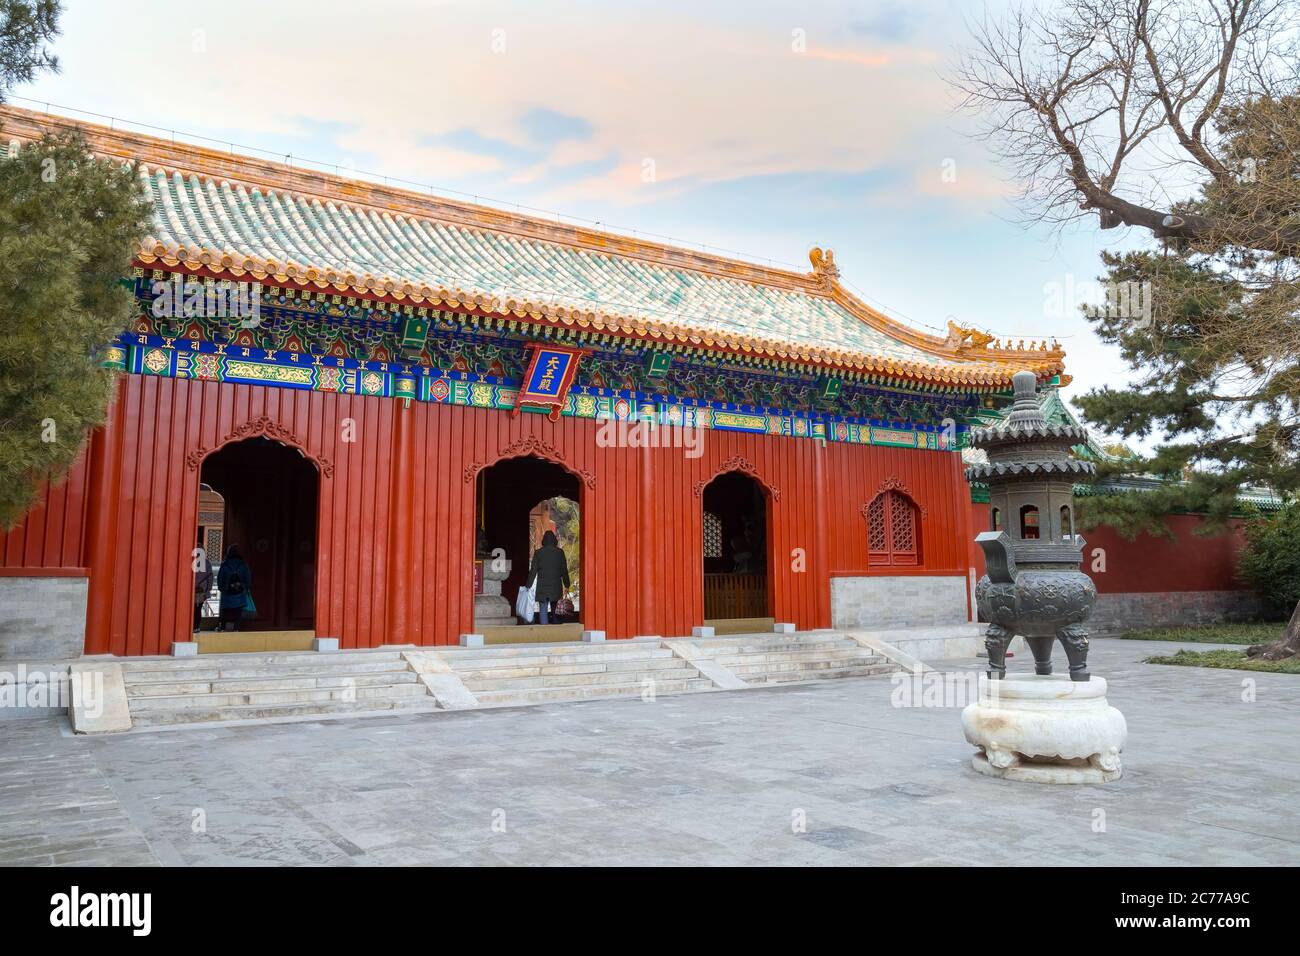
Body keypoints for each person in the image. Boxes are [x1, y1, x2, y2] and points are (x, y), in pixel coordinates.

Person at [526, 530, 570, 625]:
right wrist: (567, 584)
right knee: (556, 608)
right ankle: (556, 630)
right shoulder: (559, 553)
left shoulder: (538, 553)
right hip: (556, 586)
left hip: (542, 587)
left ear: (544, 541)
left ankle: (544, 631)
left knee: (543, 608)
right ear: (554, 540)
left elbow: (533, 571)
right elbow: (564, 570)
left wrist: (528, 585)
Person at [216, 544, 252, 632]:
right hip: (240, 590)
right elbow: (247, 578)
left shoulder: (225, 564)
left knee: (225, 610)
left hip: (227, 590)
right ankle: (236, 628)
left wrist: (222, 588)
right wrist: (245, 587)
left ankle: (222, 627)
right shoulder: (243, 564)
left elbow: (220, 577)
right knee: (238, 611)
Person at [193, 549, 213, 633]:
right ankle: (196, 627)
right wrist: (208, 590)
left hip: (189, 590)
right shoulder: (207, 563)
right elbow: (210, 577)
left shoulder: (189, 561)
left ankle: (189, 626)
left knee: (191, 609)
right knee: (198, 609)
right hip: (201, 590)